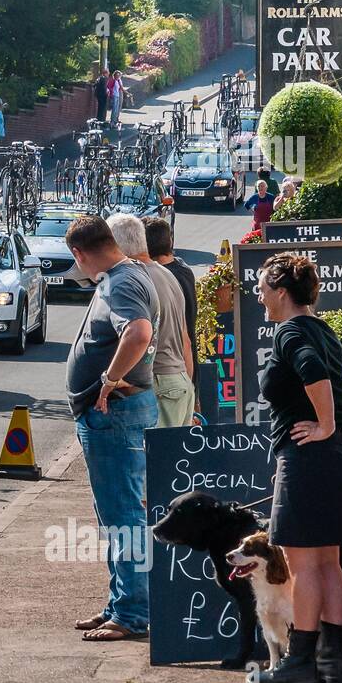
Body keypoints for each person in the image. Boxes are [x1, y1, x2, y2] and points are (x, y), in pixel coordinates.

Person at [247, 252, 342, 683]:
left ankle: (299, 663)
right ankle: (332, 663)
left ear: (281, 291)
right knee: (329, 562)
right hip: (340, 457)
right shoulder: (323, 329)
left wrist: (326, 424)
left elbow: (311, 370)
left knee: (303, 565)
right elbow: (322, 371)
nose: (259, 298)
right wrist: (334, 430)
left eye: (262, 290)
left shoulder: (291, 331)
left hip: (310, 457)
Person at [64, 215, 160, 641]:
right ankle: (120, 604)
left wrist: (106, 380)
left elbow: (138, 332)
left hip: (115, 413)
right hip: (116, 414)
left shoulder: (121, 283)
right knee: (116, 516)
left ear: (80, 254)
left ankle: (132, 614)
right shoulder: (127, 274)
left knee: (124, 517)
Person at [108, 214, 194, 428]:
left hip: (158, 383)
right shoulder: (169, 274)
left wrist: (112, 379)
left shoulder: (135, 279)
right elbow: (186, 341)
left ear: (119, 246)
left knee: (152, 459)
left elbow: (139, 335)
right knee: (173, 459)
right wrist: (188, 386)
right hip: (179, 382)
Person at [144, 216, 199, 384]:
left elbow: (184, 340)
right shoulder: (183, 268)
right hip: (187, 366)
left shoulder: (161, 278)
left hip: (173, 370)